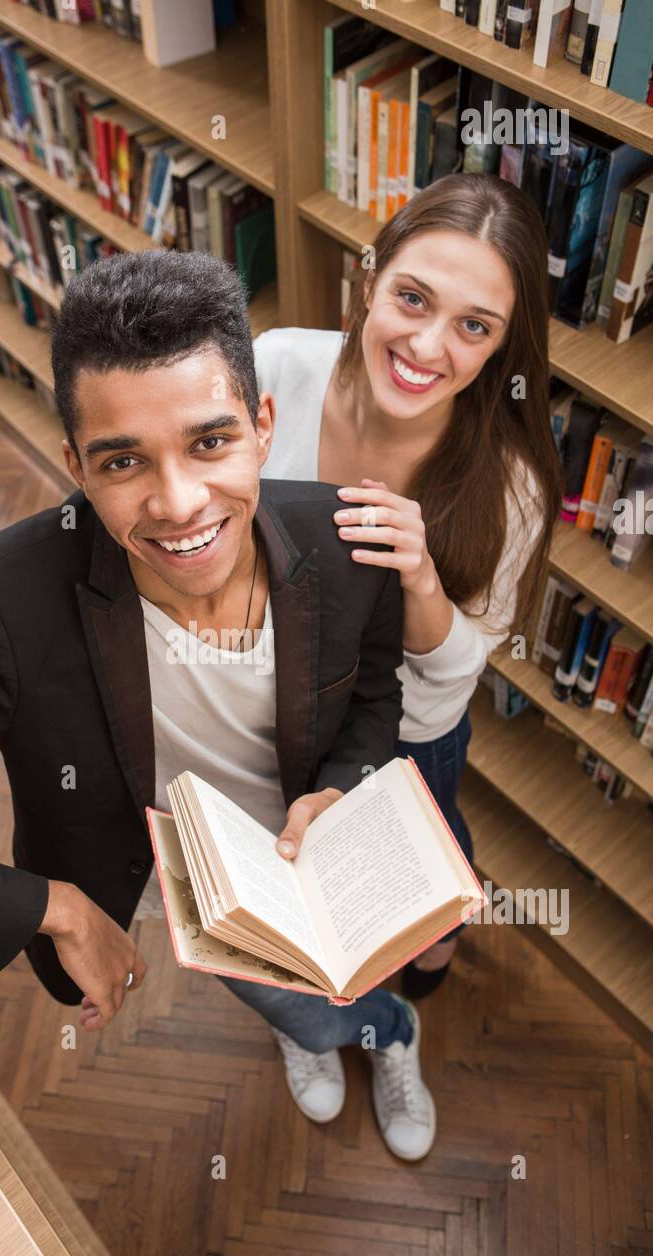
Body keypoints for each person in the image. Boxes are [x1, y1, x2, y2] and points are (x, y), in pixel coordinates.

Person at [0, 249, 431, 1161]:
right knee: (285, 996)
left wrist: (341, 784)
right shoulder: (5, 601)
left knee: (345, 1001)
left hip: (312, 859)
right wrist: (52, 907)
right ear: (75, 467)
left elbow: (375, 695)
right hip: (183, 879)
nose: (176, 505)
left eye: (211, 441)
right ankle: (317, 1027)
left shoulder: (344, 538)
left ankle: (390, 1033)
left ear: (261, 424)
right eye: (124, 460)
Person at [253, 172, 562, 1002]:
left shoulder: (513, 489)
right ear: (369, 278)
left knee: (418, 881)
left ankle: (418, 982)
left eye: (474, 326)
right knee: (306, 883)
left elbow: (440, 699)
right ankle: (333, 1018)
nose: (429, 347)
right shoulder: (277, 364)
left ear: (502, 346)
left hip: (409, 742)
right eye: (413, 299)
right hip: (270, 697)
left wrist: (420, 578)